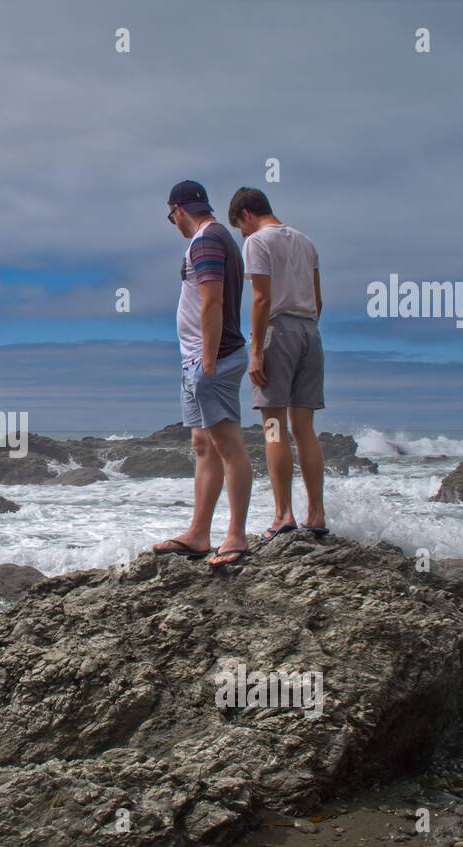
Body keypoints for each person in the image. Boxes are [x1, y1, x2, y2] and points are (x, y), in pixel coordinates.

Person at [153, 180, 252, 566]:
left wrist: (208, 359)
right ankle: (198, 534)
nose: (172, 222)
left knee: (228, 446)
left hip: (212, 359)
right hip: (197, 360)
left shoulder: (207, 241)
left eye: (170, 215)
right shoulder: (217, 239)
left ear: (178, 209)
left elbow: (212, 300)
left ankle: (236, 537)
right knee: (203, 445)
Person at [227, 187, 328, 540]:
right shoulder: (306, 242)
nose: (242, 235)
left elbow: (261, 297)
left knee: (273, 425)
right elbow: (317, 299)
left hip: (277, 332)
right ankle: (316, 514)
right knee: (305, 429)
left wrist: (256, 349)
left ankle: (283, 514)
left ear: (246, 215)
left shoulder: (257, 242)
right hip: (310, 334)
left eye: (240, 227)